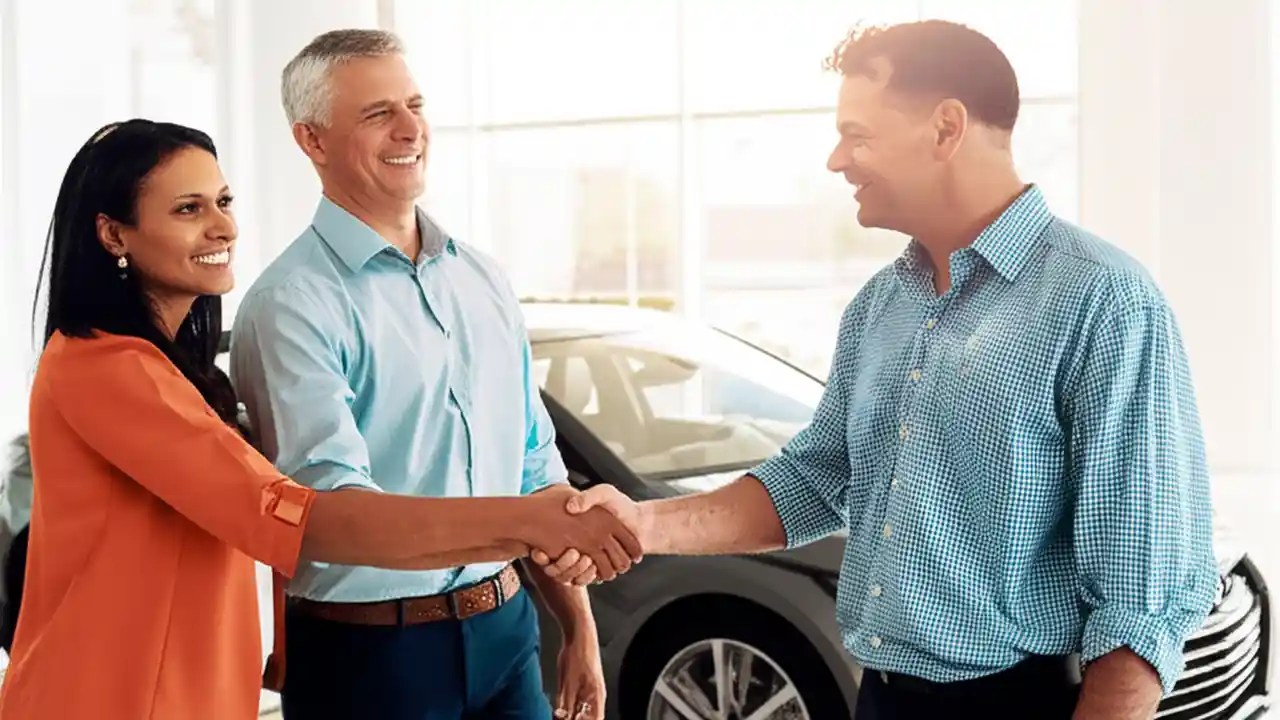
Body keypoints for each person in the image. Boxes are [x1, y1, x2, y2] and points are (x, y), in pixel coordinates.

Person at [537, 20, 1218, 720]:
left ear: (946, 129)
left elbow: (1141, 601)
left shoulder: (1101, 300)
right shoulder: (881, 305)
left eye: (857, 135)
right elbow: (813, 480)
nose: (838, 160)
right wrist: (640, 524)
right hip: (883, 697)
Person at [0, 119, 639, 720]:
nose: (223, 228)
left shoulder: (170, 370)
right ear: (114, 234)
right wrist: (530, 522)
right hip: (111, 697)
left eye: (224, 202)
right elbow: (299, 519)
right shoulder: (105, 369)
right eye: (188, 209)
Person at [229, 29, 612, 720]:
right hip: (370, 660)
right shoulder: (289, 304)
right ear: (312, 141)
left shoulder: (483, 279)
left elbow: (533, 464)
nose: (411, 128)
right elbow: (332, 516)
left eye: (414, 104)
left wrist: (579, 627)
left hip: (507, 631)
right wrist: (530, 522)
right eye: (378, 113)